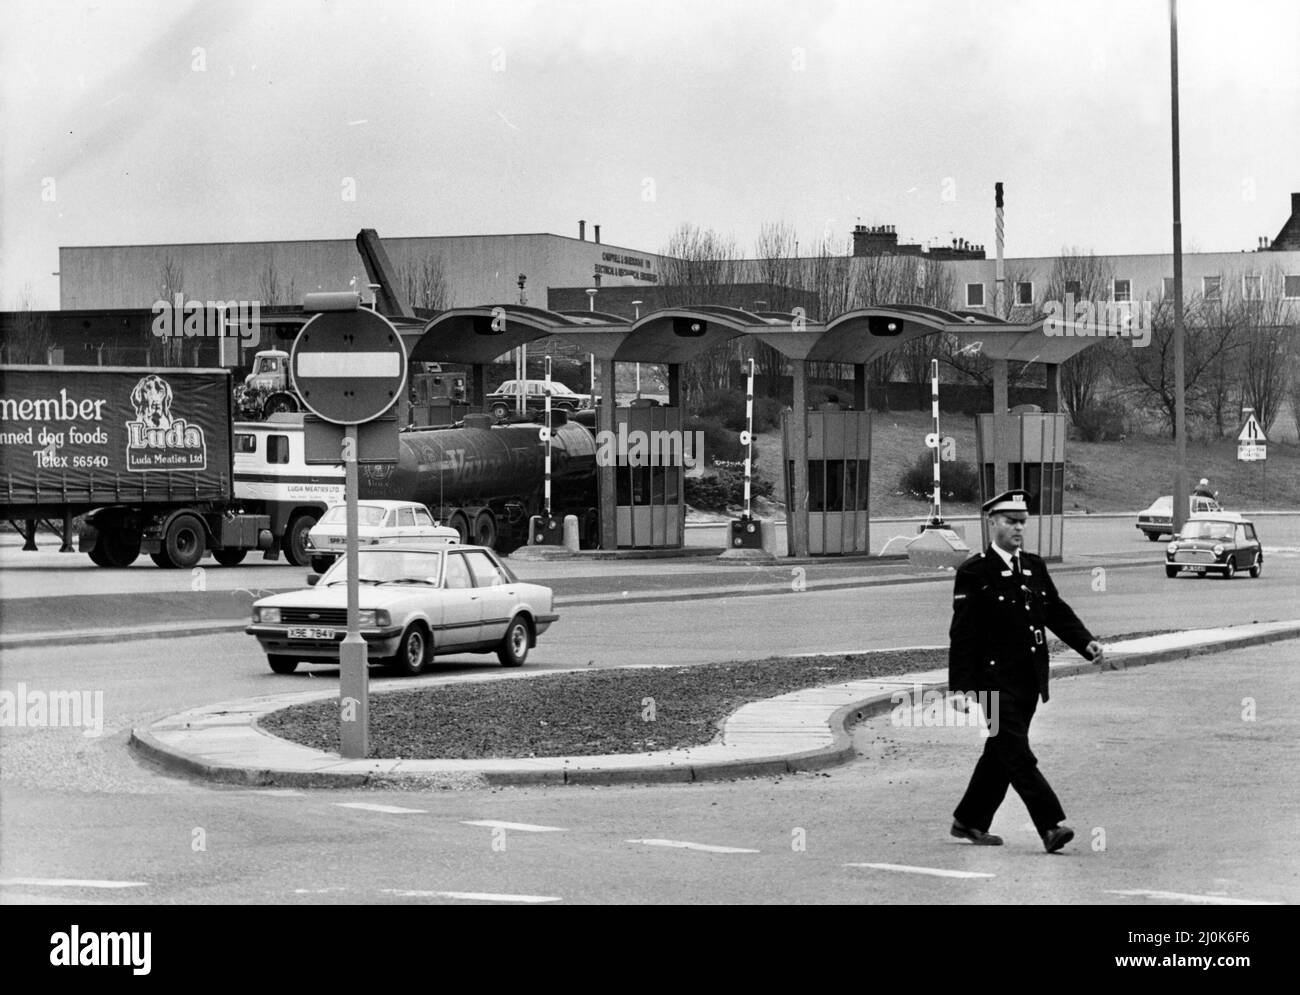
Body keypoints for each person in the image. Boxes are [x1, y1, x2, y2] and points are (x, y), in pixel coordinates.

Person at [947, 489, 1105, 853]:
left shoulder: (1033, 566)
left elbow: (1055, 611)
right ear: (992, 522)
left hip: (1028, 681)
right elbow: (963, 634)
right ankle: (1050, 825)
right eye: (1010, 521)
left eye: (1022, 522)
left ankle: (969, 819)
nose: (1018, 528)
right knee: (1018, 754)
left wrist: (1085, 643)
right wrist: (960, 687)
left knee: (1002, 753)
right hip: (992, 683)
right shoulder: (974, 572)